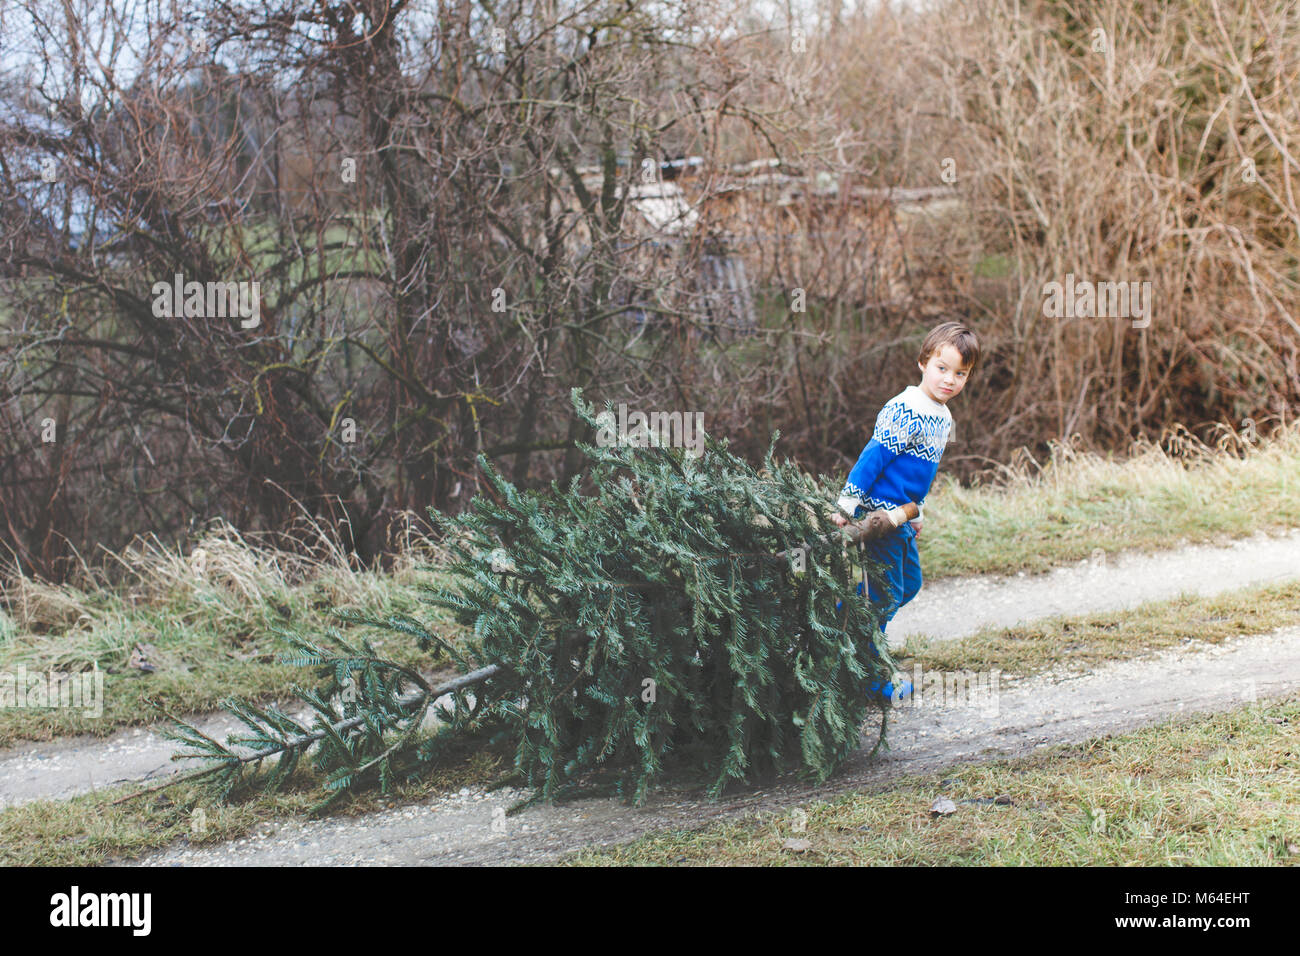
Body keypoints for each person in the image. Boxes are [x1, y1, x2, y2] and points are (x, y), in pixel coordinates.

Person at [831, 321, 980, 702]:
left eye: (960, 373)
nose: (949, 380)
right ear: (922, 363)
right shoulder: (905, 408)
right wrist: (847, 505)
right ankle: (868, 667)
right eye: (941, 368)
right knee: (885, 595)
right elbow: (873, 458)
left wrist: (919, 514)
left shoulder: (943, 417)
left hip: (903, 518)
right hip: (880, 518)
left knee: (908, 584)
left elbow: (919, 475)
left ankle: (849, 611)